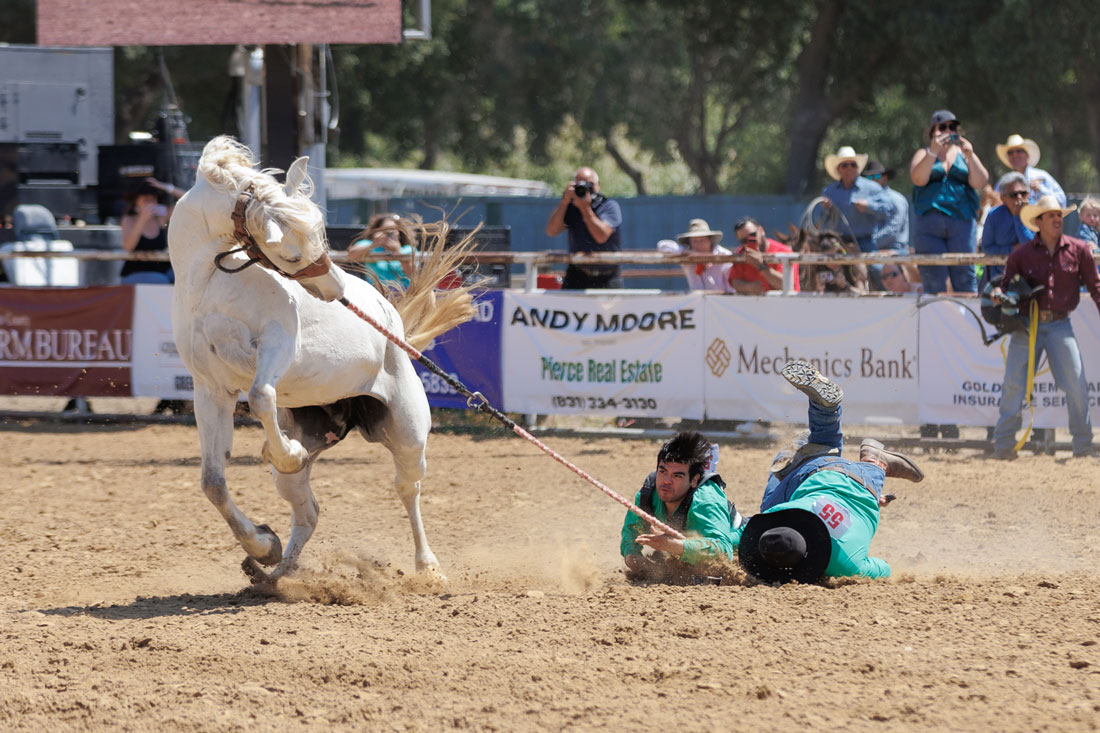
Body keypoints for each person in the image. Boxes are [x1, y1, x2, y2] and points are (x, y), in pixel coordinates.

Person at [735, 361, 924, 583]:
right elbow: (729, 536)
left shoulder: (846, 565)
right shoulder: (777, 514)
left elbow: (884, 569)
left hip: (863, 485)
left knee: (847, 470)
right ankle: (825, 416)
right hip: (816, 473)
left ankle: (875, 462)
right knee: (779, 492)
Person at [990, 195, 1100, 460]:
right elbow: (1002, 287)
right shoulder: (1020, 255)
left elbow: (1096, 288)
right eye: (1051, 215)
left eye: (1059, 215)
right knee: (1014, 384)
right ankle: (1003, 445)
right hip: (1026, 324)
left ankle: (1083, 445)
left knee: (1076, 383)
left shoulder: (1079, 250)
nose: (1057, 219)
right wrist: (997, 294)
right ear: (1039, 221)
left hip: (1061, 323)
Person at [620, 431, 742, 582]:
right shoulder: (648, 494)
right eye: (662, 471)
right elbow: (631, 532)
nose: (666, 481)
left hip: (743, 542)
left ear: (694, 480)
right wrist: (631, 557)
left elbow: (723, 549)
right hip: (687, 552)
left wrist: (673, 545)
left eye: (677, 476)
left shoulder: (705, 500)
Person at [909, 109, 990, 296]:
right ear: (932, 132)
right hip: (929, 224)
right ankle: (933, 321)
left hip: (961, 221)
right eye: (942, 127)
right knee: (932, 277)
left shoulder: (964, 154)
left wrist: (970, 154)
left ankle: (967, 323)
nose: (948, 131)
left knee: (965, 276)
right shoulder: (923, 153)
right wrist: (933, 152)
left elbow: (980, 182)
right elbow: (919, 179)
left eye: (952, 127)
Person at [545, 167, 623, 289]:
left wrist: (585, 209)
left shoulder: (608, 206)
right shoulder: (571, 207)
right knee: (565, 307)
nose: (585, 188)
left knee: (612, 308)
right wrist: (565, 201)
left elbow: (601, 236)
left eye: (589, 184)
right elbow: (551, 231)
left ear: (598, 184)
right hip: (578, 274)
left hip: (607, 276)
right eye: (580, 185)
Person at [120, 178, 184, 284]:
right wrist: (142, 220)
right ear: (136, 201)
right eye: (145, 199)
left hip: (162, 269)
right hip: (136, 272)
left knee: (186, 275)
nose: (150, 202)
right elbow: (128, 247)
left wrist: (167, 187)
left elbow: (190, 200)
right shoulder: (128, 219)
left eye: (153, 199)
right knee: (161, 281)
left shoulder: (160, 218)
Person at [979, 172, 1035, 288]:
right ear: (1003, 198)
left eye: (1023, 193)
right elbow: (987, 247)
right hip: (998, 280)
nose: (1019, 198)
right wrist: (1012, 249)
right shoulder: (994, 215)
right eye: (1014, 195)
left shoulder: (1036, 213)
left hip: (1029, 279)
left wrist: (1017, 217)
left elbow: (1030, 246)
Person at [656, 218, 734, 292]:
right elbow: (662, 246)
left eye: (702, 240)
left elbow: (731, 287)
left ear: (710, 240)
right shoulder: (686, 254)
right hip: (696, 302)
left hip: (722, 302)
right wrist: (687, 252)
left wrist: (703, 256)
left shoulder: (724, 256)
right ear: (689, 243)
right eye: (694, 241)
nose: (698, 244)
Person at [727, 217, 799, 294]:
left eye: (752, 235)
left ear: (761, 230)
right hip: (755, 303)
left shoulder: (784, 251)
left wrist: (761, 266)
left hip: (784, 303)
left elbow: (787, 285)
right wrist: (749, 287)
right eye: (744, 240)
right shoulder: (742, 252)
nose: (750, 240)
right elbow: (734, 282)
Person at [346, 213, 416, 290]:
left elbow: (412, 273)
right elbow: (350, 256)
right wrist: (373, 244)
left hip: (403, 292)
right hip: (377, 292)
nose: (388, 235)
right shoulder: (368, 245)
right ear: (377, 231)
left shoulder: (408, 249)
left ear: (399, 232)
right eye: (384, 231)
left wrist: (397, 252)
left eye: (392, 231)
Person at [994, 134, 1066, 206]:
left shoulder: (1042, 176)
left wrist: (1041, 189)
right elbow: (995, 204)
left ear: (1027, 155)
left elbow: (1062, 201)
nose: (1014, 155)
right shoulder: (1003, 182)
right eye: (1010, 152)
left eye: (1019, 151)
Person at [862, 160, 910, 253]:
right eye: (868, 177)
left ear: (885, 177)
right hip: (871, 250)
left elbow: (893, 231)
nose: (872, 180)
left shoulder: (896, 199)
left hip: (895, 250)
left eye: (877, 176)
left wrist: (868, 243)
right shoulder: (864, 200)